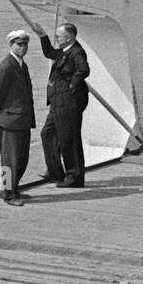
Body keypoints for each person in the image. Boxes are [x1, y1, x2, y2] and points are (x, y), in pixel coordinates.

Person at [33, 20, 90, 188]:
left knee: (69, 139)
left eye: (59, 36)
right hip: (58, 101)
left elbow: (84, 69)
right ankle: (56, 172)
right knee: (47, 133)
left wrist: (72, 84)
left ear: (69, 37)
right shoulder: (65, 51)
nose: (56, 38)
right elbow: (50, 52)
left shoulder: (76, 52)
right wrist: (43, 36)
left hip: (68, 101)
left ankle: (74, 177)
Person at [0, 29, 36, 205]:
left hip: (22, 120)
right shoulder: (6, 67)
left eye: (25, 44)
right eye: (19, 44)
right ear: (11, 45)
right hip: (10, 121)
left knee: (21, 158)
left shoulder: (21, 65)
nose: (23, 47)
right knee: (10, 160)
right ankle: (7, 194)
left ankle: (13, 189)